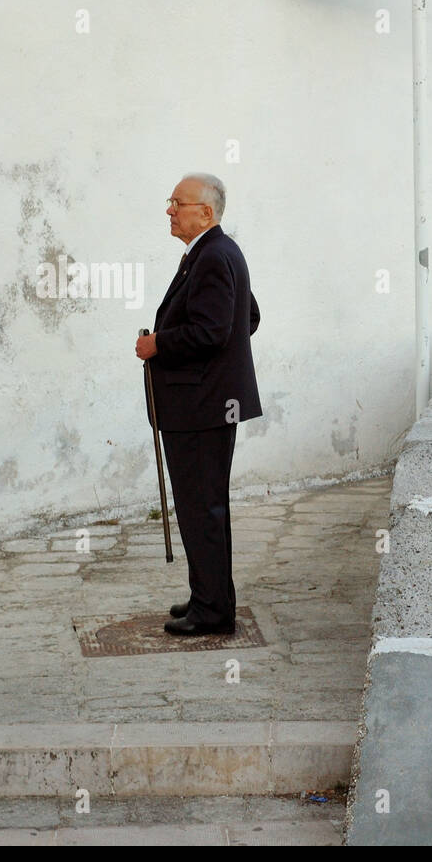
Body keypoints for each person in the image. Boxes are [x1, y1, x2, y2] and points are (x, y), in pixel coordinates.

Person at [135, 173, 262, 635]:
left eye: (178, 202)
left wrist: (159, 345)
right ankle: (208, 596)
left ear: (205, 212)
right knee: (203, 505)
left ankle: (212, 612)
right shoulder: (215, 252)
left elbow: (213, 330)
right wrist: (222, 365)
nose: (170, 209)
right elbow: (246, 317)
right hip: (209, 401)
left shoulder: (212, 256)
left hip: (202, 407)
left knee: (201, 506)